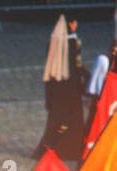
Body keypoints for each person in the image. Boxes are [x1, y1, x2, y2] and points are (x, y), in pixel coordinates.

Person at [35, 16, 85, 162]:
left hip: (56, 88)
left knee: (56, 119)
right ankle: (70, 150)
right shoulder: (73, 41)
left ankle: (50, 146)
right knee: (72, 119)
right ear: (71, 24)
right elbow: (75, 66)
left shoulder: (53, 40)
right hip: (71, 88)